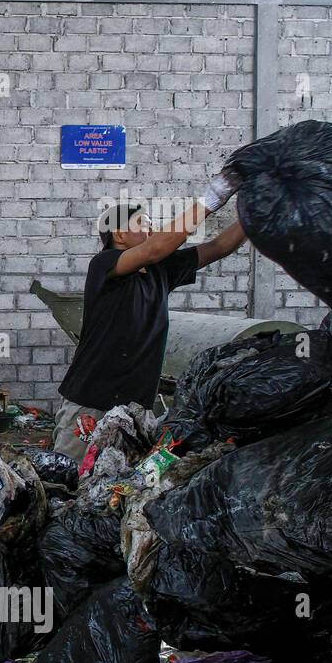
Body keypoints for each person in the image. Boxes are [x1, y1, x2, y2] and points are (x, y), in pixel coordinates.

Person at [53, 170, 249, 461]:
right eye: (142, 224)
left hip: (137, 408)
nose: (151, 229)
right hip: (91, 403)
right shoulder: (104, 265)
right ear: (119, 234)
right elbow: (155, 249)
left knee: (122, 488)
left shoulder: (161, 271)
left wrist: (252, 214)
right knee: (68, 476)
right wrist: (213, 196)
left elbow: (221, 247)